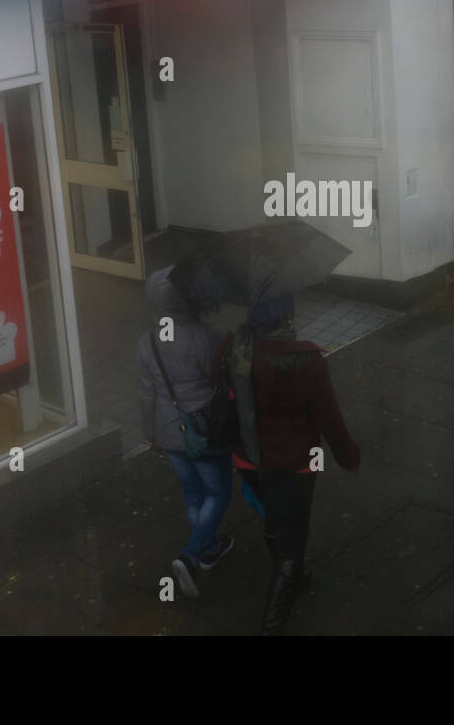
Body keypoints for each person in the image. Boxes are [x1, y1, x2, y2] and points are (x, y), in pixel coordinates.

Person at [227, 294, 360, 635]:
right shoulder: (307, 359)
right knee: (294, 536)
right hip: (296, 462)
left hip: (248, 458)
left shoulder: (236, 347)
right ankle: (274, 618)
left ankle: (295, 574)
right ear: (286, 320)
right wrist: (348, 455)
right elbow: (328, 417)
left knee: (273, 516)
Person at [136, 266, 233, 599]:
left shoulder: (146, 341)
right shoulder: (207, 337)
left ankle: (209, 549)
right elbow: (219, 381)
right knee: (218, 492)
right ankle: (191, 555)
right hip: (203, 430)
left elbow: (146, 393)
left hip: (167, 430)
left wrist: (150, 432)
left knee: (192, 490)